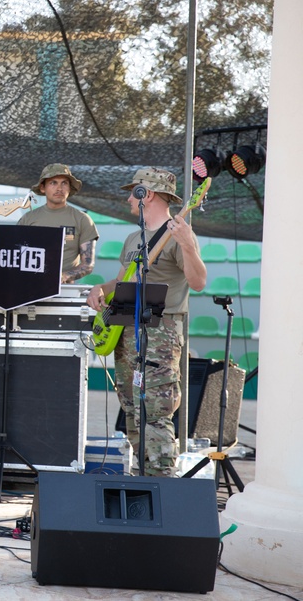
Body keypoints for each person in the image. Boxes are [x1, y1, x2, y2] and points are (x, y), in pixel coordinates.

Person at [85, 168, 206, 477]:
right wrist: (101, 289)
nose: (128, 198)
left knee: (156, 411)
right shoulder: (132, 238)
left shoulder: (179, 234)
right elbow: (127, 278)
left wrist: (189, 246)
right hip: (125, 328)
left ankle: (163, 481)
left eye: (133, 191)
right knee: (132, 408)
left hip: (161, 332)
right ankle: (141, 476)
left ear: (147, 194)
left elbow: (199, 281)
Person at [17, 163, 98, 283]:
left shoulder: (82, 219)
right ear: (43, 188)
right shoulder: (27, 219)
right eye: (53, 182)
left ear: (70, 188)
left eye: (64, 183)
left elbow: (87, 265)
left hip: (64, 291)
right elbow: (15, 257)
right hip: (29, 287)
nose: (59, 188)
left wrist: (62, 277)